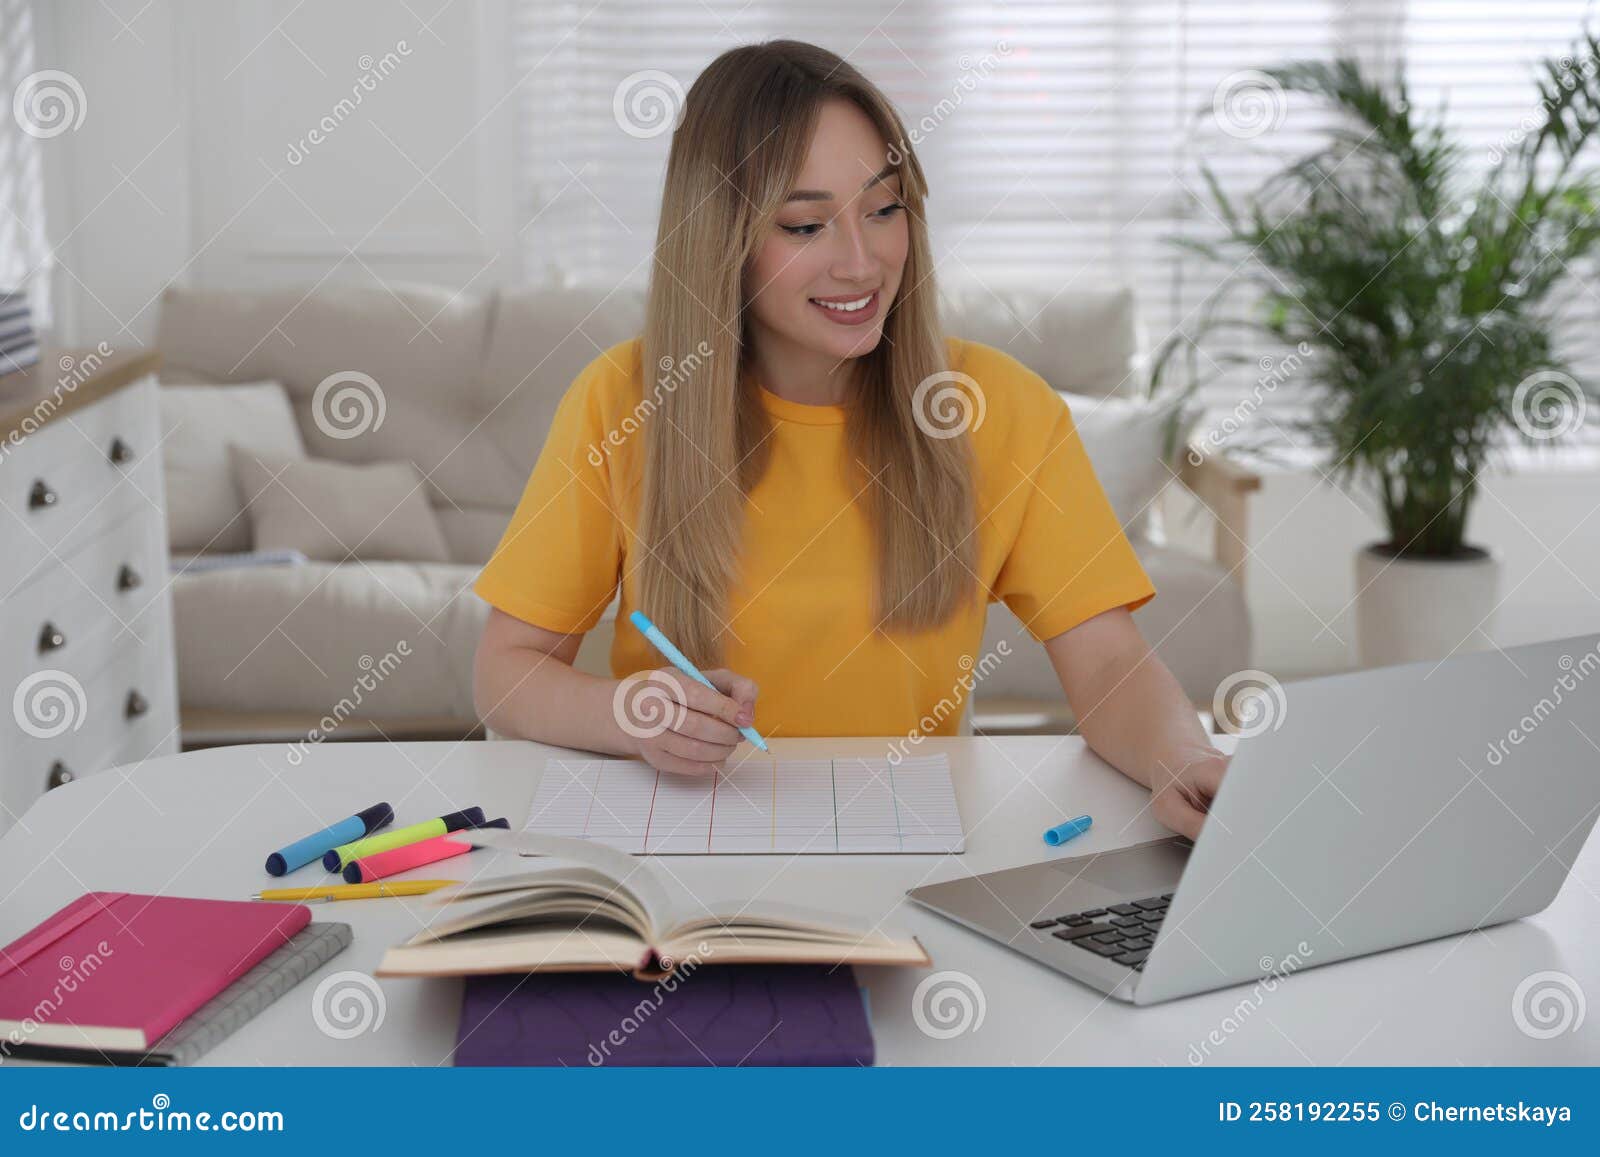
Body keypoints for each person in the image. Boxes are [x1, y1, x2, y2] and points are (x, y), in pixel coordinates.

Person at [473, 40, 1228, 838]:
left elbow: (1109, 664)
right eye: (806, 225)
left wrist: (1182, 756)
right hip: (681, 842)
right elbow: (505, 670)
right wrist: (629, 715)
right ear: (718, 237)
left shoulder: (998, 407)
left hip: (907, 842)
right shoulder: (623, 403)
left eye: (884, 208)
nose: (862, 261)